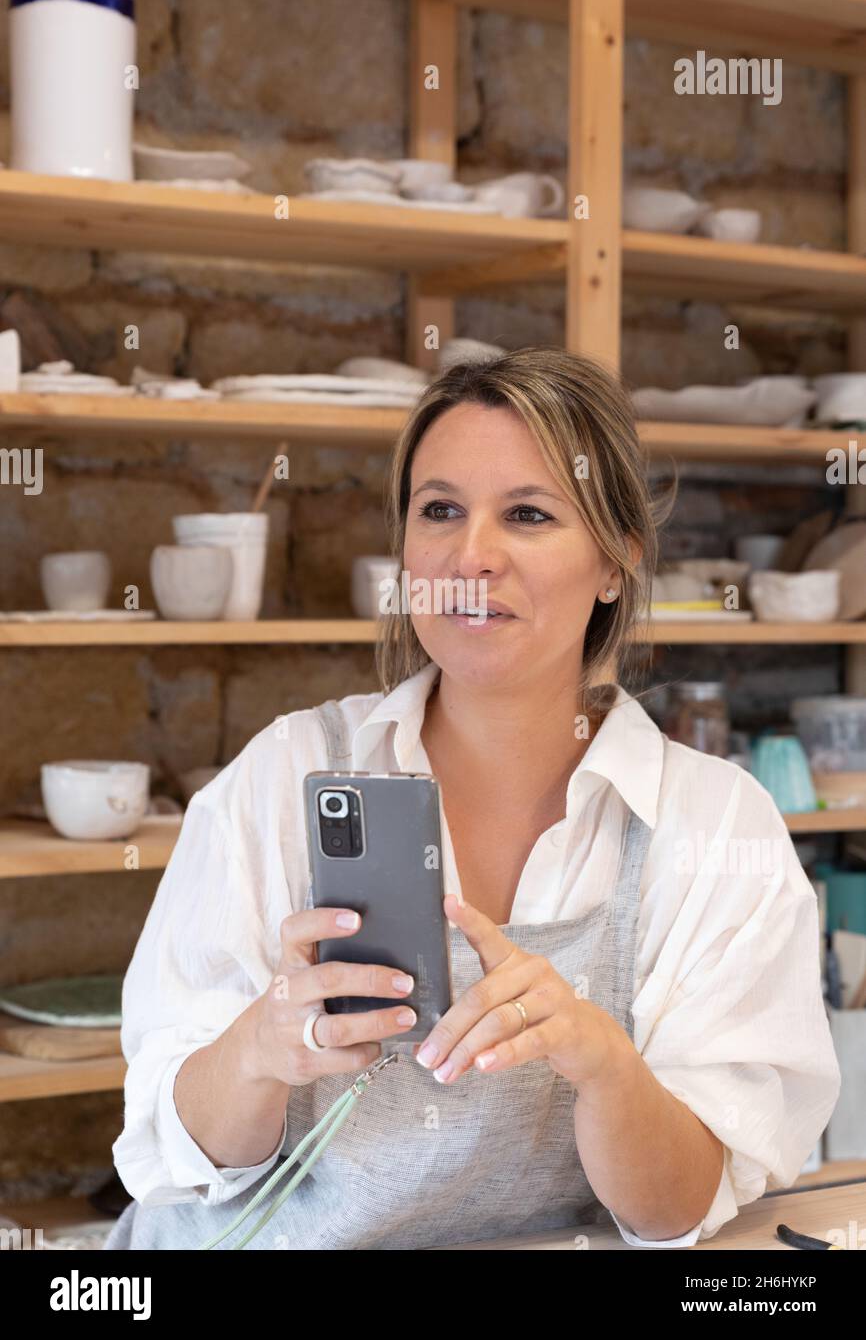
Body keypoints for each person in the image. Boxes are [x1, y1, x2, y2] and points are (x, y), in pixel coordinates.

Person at [104, 346, 840, 1251]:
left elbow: (675, 1209)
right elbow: (172, 1155)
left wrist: (605, 1067)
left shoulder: (715, 826)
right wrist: (261, 1053)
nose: (470, 556)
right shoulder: (286, 772)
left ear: (616, 563)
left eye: (527, 514)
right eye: (439, 510)